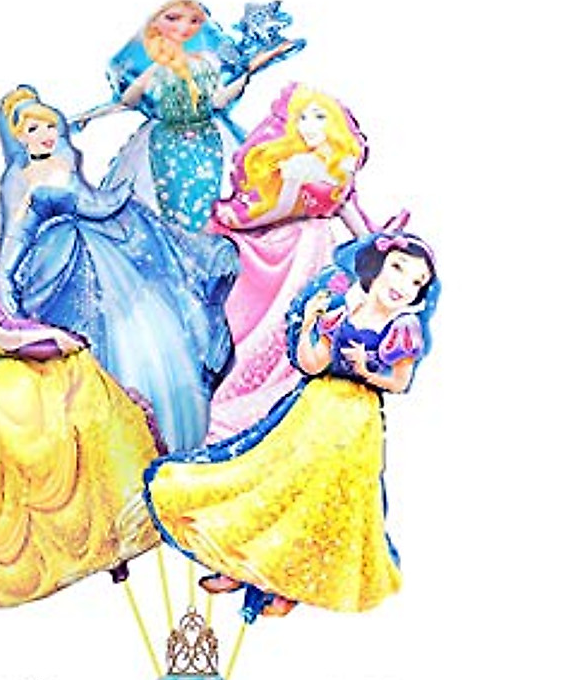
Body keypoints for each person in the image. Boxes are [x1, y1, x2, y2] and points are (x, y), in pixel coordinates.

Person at [145, 221, 438, 619]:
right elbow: (311, 363)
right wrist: (311, 325)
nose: (404, 284)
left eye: (417, 281)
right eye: (398, 268)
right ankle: (238, 562)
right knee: (271, 483)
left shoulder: (402, 330)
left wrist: (365, 368)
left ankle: (291, 584)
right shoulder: (341, 309)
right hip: (313, 409)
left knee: (320, 503)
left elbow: (400, 382)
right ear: (377, 267)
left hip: (356, 424)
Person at [0, 217, 159, 607]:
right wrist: (55, 339)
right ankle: (105, 530)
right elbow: (7, 339)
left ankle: (103, 534)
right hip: (11, 385)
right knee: (82, 403)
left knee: (58, 448)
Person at [0, 85, 237, 452]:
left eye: (49, 126)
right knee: (90, 334)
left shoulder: (63, 161)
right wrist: (4, 277)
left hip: (98, 244)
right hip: (62, 260)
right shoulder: (22, 179)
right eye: (33, 129)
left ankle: (166, 428)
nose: (45, 135)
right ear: (19, 137)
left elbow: (91, 202)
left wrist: (120, 197)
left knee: (148, 313)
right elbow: (17, 232)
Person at [206, 84, 375, 442]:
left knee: (309, 303)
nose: (309, 126)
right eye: (301, 118)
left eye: (319, 117)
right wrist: (287, 190)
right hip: (285, 244)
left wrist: (377, 246)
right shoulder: (301, 165)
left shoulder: (337, 166)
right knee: (269, 312)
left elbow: (347, 212)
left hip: (309, 249)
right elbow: (276, 211)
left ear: (335, 123)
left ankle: (295, 375)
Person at [75, 0, 298, 232]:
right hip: (163, 142)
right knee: (162, 198)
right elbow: (127, 101)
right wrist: (91, 115)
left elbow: (219, 100)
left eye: (194, 21)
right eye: (173, 19)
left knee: (214, 193)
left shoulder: (205, 62)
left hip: (209, 139)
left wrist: (255, 64)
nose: (183, 27)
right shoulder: (154, 70)